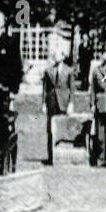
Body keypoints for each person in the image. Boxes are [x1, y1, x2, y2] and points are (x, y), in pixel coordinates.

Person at [42, 31, 75, 166]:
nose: (55, 56)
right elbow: (44, 89)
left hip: (63, 102)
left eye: (58, 54)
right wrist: (43, 103)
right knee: (50, 129)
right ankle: (51, 156)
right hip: (51, 102)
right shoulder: (48, 70)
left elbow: (72, 89)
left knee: (62, 129)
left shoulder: (69, 71)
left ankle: (61, 155)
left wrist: (71, 104)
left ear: (63, 56)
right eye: (54, 54)